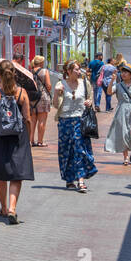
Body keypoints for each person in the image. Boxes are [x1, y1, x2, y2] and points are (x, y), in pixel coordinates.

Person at [0, 60, 34, 225]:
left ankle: (4, 208)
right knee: (16, 173)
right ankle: (13, 208)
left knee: (0, 172)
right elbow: (27, 118)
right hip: (18, 137)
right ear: (14, 74)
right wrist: (30, 137)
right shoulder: (21, 93)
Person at [54, 59, 97, 192]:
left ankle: (80, 180)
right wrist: (56, 92)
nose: (79, 72)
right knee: (66, 150)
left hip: (80, 120)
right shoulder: (60, 85)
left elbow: (90, 98)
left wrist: (89, 102)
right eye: (76, 70)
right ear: (68, 71)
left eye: (79, 69)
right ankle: (69, 179)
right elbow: (55, 105)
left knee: (80, 149)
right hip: (65, 121)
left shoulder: (85, 83)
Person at [104, 63, 131, 165]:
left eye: (126, 72)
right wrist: (111, 81)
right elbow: (109, 92)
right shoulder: (118, 86)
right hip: (122, 111)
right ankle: (125, 157)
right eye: (122, 72)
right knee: (123, 133)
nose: (123, 74)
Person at [30, 55, 52, 147]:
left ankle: (30, 141)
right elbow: (49, 85)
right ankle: (40, 141)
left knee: (32, 120)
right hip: (42, 97)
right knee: (42, 120)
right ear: (41, 62)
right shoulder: (44, 71)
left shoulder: (30, 72)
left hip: (32, 98)